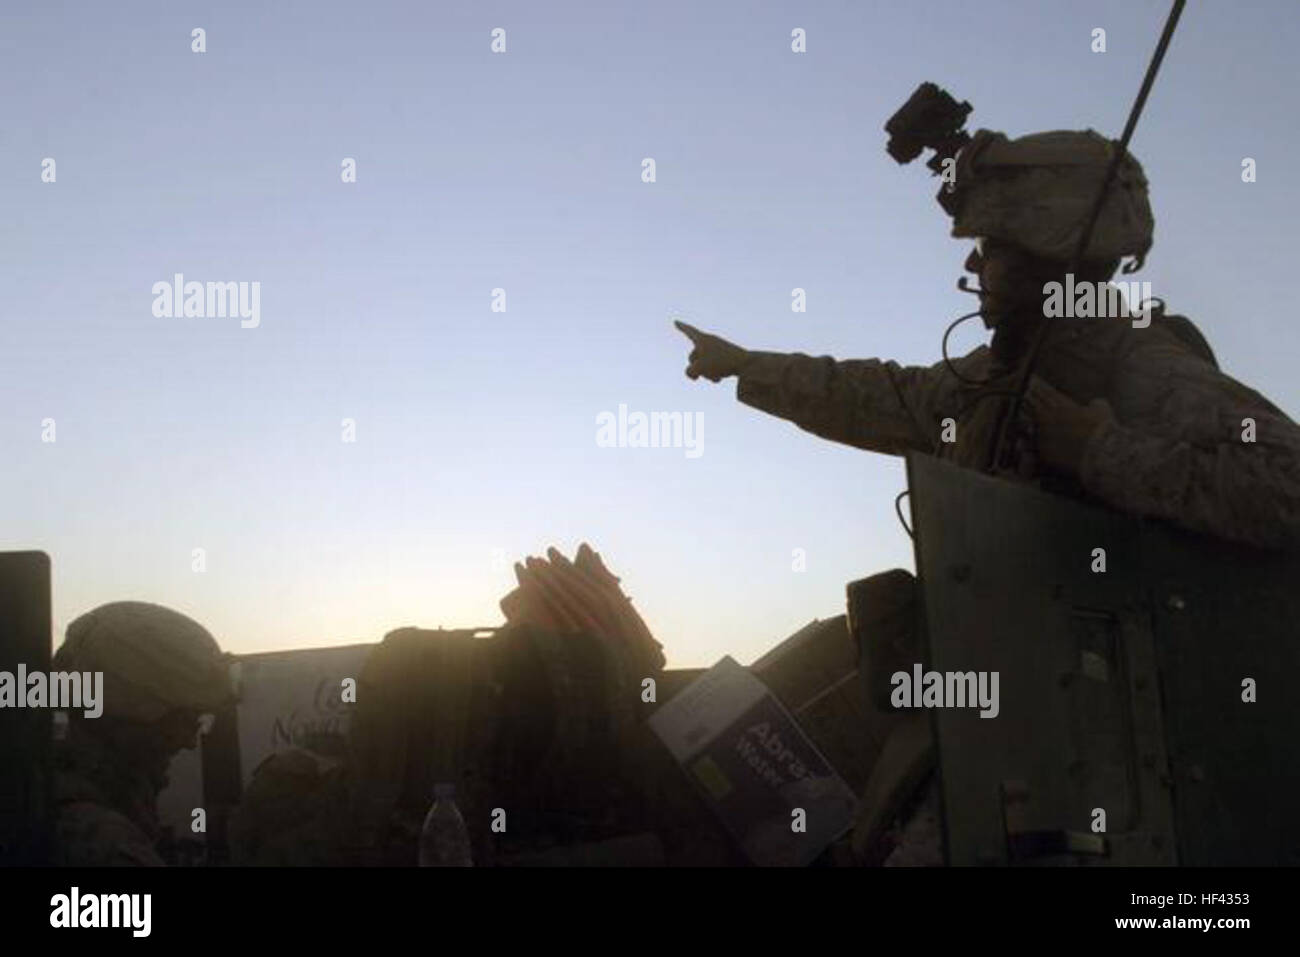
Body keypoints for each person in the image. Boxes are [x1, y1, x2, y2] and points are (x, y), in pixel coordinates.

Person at [676, 128, 1300, 552]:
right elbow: (874, 394)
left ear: (1043, 258)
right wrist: (745, 365)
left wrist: (1098, 450)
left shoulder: (1141, 364)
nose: (975, 269)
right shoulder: (989, 377)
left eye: (988, 249)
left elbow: (1288, 485)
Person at [51, 601, 233, 866]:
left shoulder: (59, 795)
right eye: (183, 720)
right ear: (129, 711)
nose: (189, 742)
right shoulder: (99, 841)